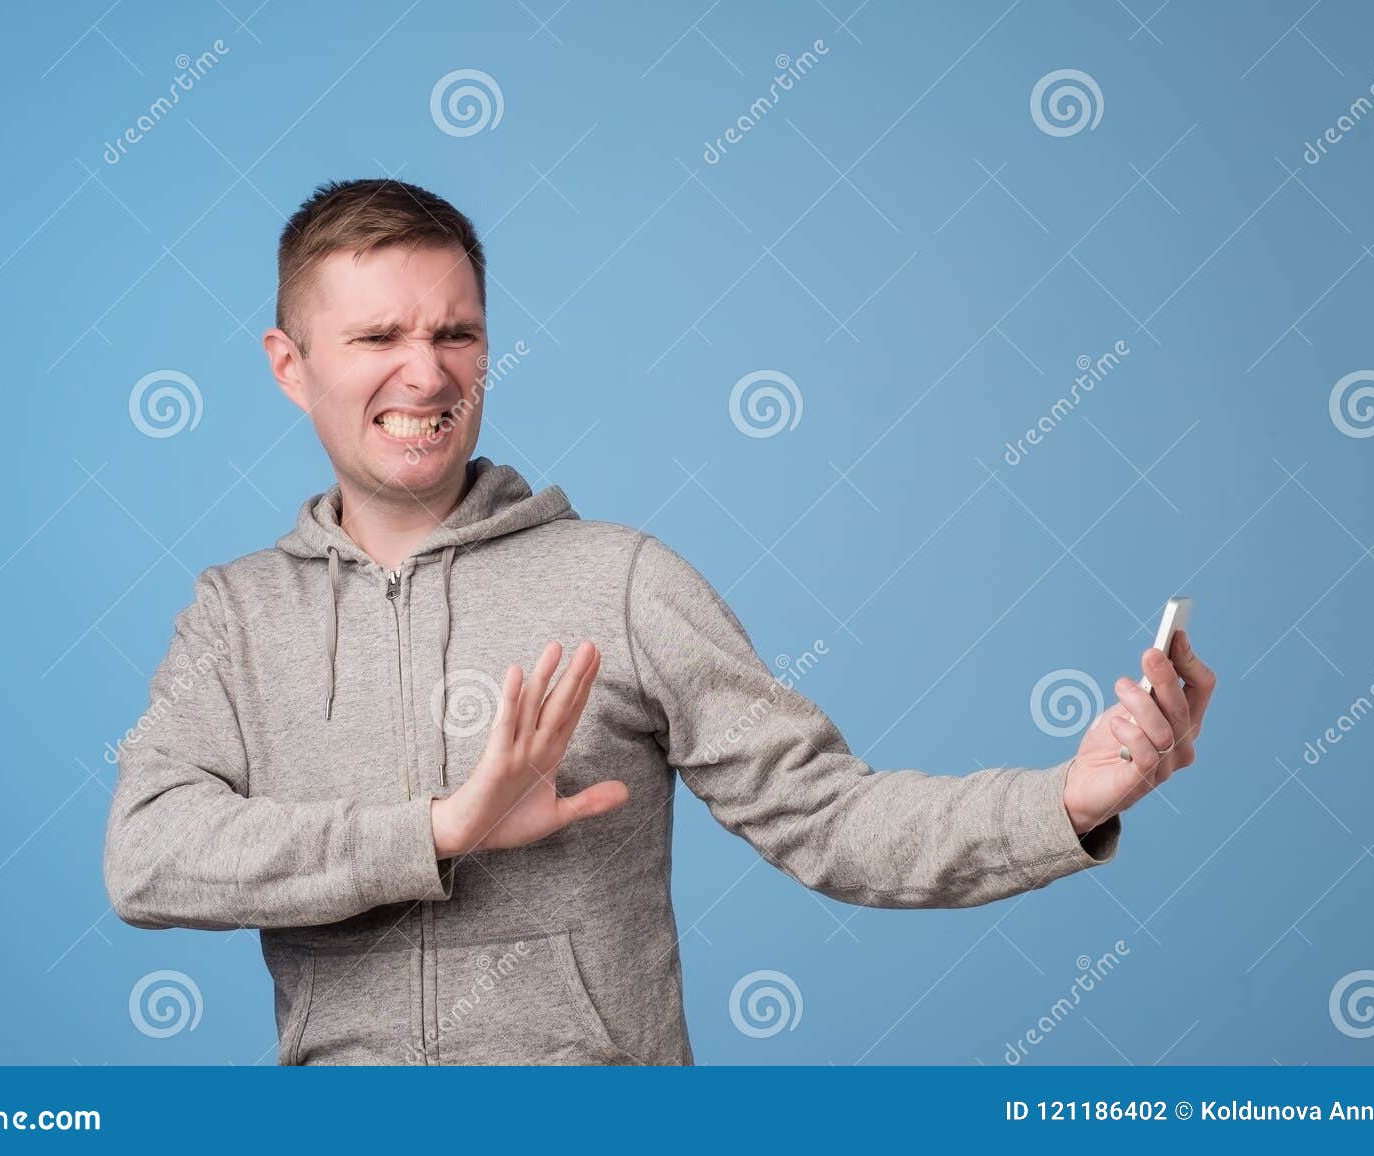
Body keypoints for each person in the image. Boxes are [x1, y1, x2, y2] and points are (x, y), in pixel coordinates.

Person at [101, 178, 1217, 1066]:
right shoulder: (238, 614)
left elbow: (830, 820)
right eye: (377, 336)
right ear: (288, 368)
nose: (426, 370)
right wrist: (440, 829)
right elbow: (146, 860)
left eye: (457, 332)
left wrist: (1068, 801)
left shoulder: (620, 579)